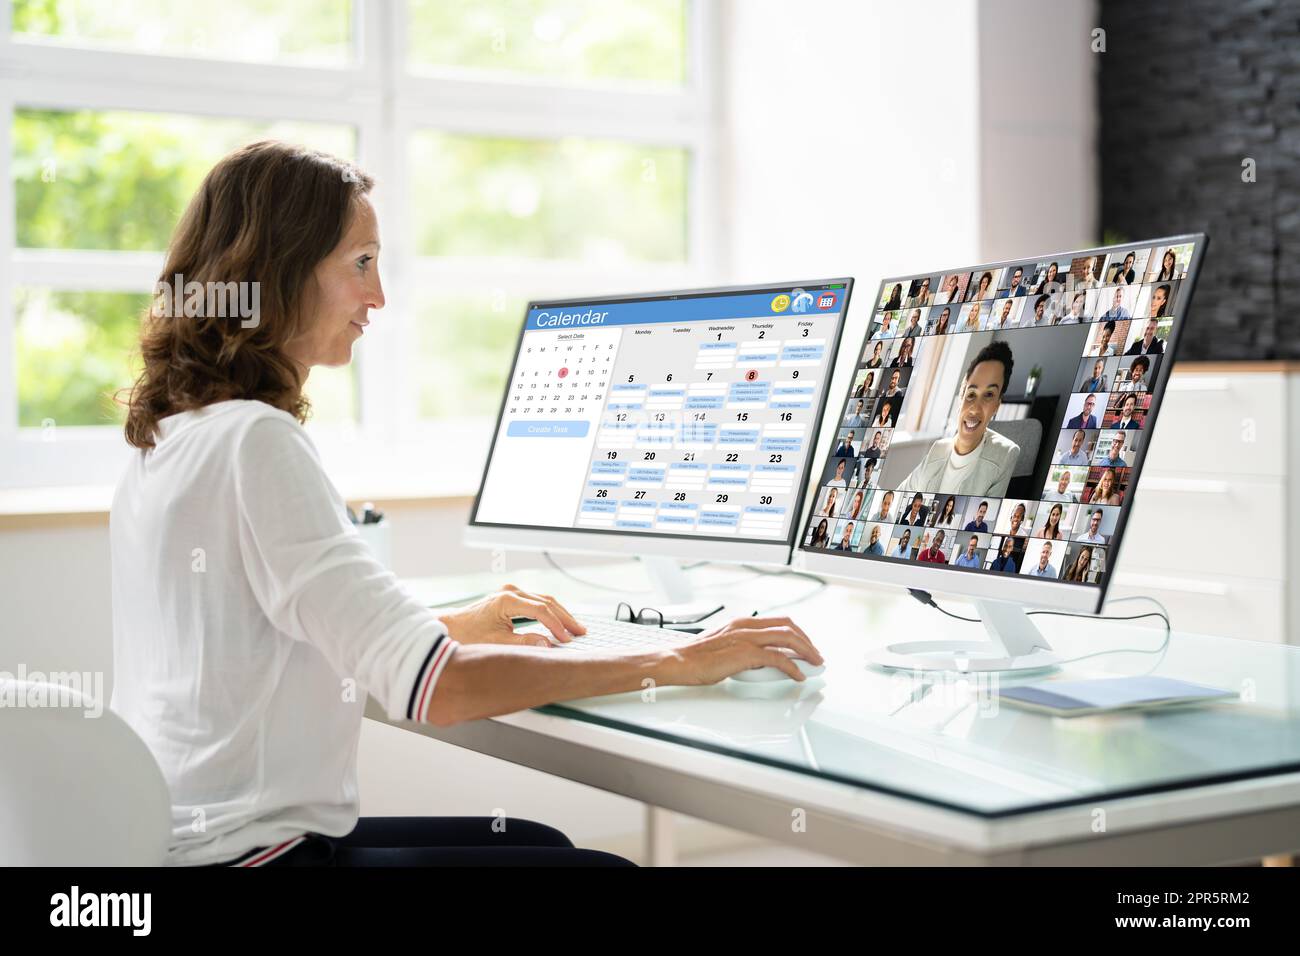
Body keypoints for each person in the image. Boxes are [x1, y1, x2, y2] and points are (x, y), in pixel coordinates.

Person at [111, 142, 820, 869]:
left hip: (182, 845)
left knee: (544, 848)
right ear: (282, 271)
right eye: (360, 263)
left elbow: (270, 640)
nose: (378, 295)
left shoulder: (174, 434)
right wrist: (675, 659)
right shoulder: (256, 441)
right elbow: (439, 690)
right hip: (257, 861)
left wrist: (448, 624)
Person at [899, 341, 1020, 497]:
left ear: (996, 406)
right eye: (971, 395)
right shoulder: (938, 449)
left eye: (988, 395)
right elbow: (899, 495)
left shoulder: (1005, 454)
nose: (975, 409)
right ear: (960, 400)